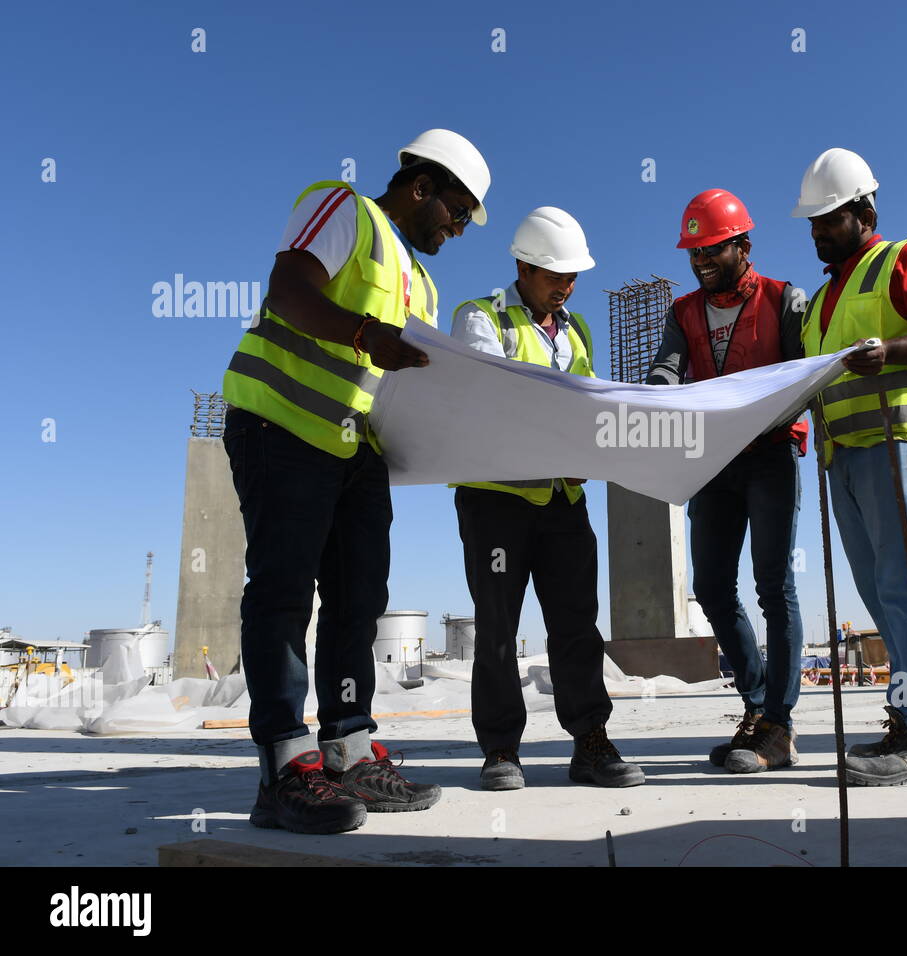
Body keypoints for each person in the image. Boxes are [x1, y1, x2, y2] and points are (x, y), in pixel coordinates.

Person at [221, 129, 490, 832]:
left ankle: (347, 750)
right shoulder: (347, 212)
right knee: (283, 594)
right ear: (422, 186)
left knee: (358, 601)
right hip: (281, 427)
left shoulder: (425, 285)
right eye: (456, 213)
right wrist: (368, 334)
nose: (457, 230)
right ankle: (284, 765)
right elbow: (287, 290)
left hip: (356, 450)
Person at [791, 148, 907, 786]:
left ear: (865, 211)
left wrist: (891, 350)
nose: (818, 232)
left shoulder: (904, 260)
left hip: (901, 445)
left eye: (829, 220)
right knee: (883, 595)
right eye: (813, 223)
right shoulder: (820, 302)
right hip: (845, 460)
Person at [449, 206, 645, 792]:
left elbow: (583, 403)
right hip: (497, 503)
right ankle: (501, 749)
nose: (568, 286)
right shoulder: (481, 318)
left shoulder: (576, 329)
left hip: (563, 498)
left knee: (577, 626)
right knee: (498, 627)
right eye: (557, 274)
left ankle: (590, 742)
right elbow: (493, 395)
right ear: (523, 266)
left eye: (574, 276)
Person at [645, 189, 806, 773]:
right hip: (713, 461)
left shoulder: (785, 300)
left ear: (743, 245)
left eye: (712, 249)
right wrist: (656, 392)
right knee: (712, 585)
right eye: (694, 251)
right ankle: (756, 703)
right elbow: (668, 365)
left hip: (768, 458)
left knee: (773, 586)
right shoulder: (683, 312)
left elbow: (802, 378)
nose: (701, 260)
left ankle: (779, 727)